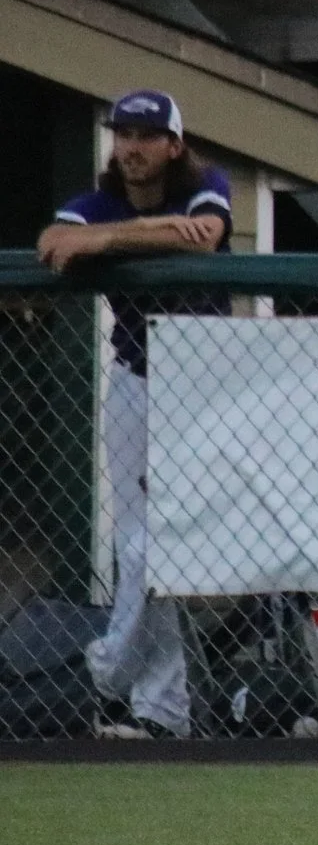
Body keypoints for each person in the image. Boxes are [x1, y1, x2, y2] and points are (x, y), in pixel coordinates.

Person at [37, 89, 231, 739]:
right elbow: (51, 240)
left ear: (175, 145)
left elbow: (203, 236)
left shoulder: (207, 182)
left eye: (148, 135)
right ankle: (162, 710)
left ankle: (108, 670)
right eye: (123, 134)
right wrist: (107, 234)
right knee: (137, 545)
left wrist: (106, 240)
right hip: (135, 377)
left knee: (157, 545)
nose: (133, 147)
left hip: (208, 384)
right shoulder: (100, 198)